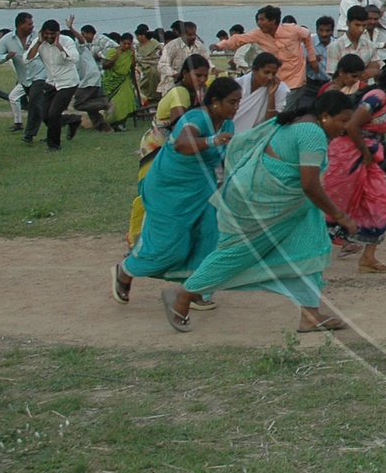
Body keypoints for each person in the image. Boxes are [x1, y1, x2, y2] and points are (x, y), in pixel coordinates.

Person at [158, 90, 358, 333]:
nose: (345, 128)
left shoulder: (302, 124)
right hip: (263, 204)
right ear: (325, 116)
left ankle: (310, 315)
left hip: (284, 206)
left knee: (307, 250)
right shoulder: (312, 132)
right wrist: (340, 215)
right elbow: (309, 185)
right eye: (343, 120)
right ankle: (184, 293)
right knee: (239, 253)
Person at [113, 76, 241, 306]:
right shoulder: (196, 119)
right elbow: (182, 144)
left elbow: (223, 159)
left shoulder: (227, 124)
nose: (236, 107)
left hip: (202, 191)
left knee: (208, 238)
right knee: (170, 246)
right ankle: (125, 271)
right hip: (169, 190)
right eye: (232, 102)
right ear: (215, 102)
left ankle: (195, 290)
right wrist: (212, 140)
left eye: (238, 102)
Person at [323, 63, 386, 272]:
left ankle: (368, 257)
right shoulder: (376, 98)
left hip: (367, 156)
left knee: (381, 199)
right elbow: (352, 125)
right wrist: (365, 153)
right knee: (335, 198)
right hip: (349, 155)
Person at [129, 55, 210, 247]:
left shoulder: (192, 92)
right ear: (185, 73)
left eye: (205, 76)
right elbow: (179, 124)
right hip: (157, 147)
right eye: (198, 75)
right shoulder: (181, 92)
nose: (202, 80)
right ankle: (135, 239)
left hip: (164, 146)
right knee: (149, 192)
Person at [212, 6, 319, 91]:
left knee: (284, 108)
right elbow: (238, 39)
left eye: (262, 20)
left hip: (295, 80)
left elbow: (307, 36)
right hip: (274, 80)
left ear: (272, 21)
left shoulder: (292, 30)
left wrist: (312, 59)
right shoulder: (258, 34)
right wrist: (219, 46)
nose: (258, 23)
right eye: (258, 20)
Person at [24, 19, 80, 150]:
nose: (49, 36)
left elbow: (75, 58)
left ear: (58, 33)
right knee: (45, 114)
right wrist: (38, 43)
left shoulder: (67, 41)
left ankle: (54, 145)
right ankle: (72, 120)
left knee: (54, 113)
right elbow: (27, 59)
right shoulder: (39, 42)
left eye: (52, 34)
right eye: (46, 33)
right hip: (51, 82)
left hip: (68, 82)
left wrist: (59, 46)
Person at [0, 12, 39, 132]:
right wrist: (6, 56)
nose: (32, 26)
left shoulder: (37, 36)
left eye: (32, 24)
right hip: (24, 79)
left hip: (40, 77)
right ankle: (19, 123)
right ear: (20, 25)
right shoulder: (7, 39)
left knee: (38, 105)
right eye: (29, 24)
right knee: (14, 97)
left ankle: (31, 132)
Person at [232, 52, 289, 134]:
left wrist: (271, 95)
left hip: (258, 135)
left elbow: (271, 124)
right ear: (254, 70)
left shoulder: (280, 89)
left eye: (273, 74)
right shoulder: (238, 84)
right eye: (266, 72)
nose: (270, 77)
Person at [156, 21, 208, 97]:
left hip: (193, 85)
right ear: (182, 34)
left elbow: (207, 61)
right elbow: (162, 65)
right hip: (172, 84)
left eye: (194, 34)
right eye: (189, 35)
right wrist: (175, 74)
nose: (193, 37)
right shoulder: (172, 46)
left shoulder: (199, 46)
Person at [100, 32, 140, 130]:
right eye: (124, 43)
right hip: (112, 81)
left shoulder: (130, 53)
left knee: (124, 101)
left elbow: (132, 66)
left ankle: (120, 124)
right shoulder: (112, 51)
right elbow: (105, 66)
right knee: (114, 102)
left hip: (124, 80)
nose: (126, 46)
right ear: (120, 42)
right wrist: (116, 56)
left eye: (129, 44)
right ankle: (112, 123)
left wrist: (133, 55)